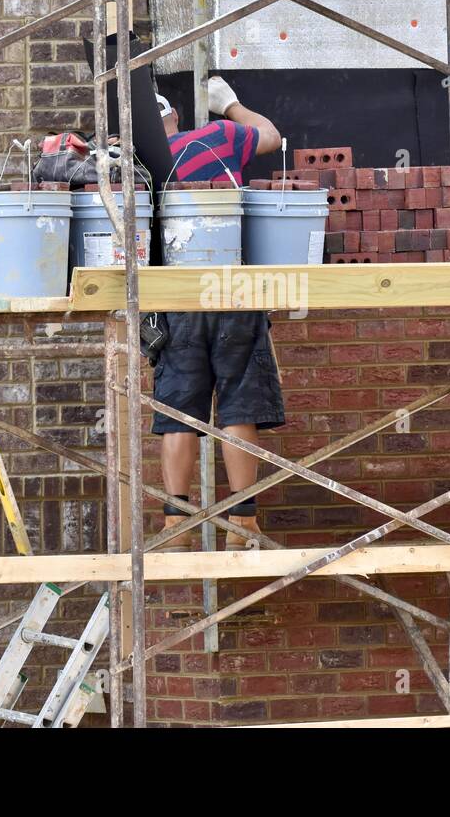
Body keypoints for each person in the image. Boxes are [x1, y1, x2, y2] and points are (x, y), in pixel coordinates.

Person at [151, 77, 285, 551]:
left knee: (178, 408)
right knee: (238, 403)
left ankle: (174, 523)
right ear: (175, 119)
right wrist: (230, 105)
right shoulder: (217, 137)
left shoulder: (134, 164)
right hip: (231, 289)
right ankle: (243, 523)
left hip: (176, 294)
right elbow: (271, 135)